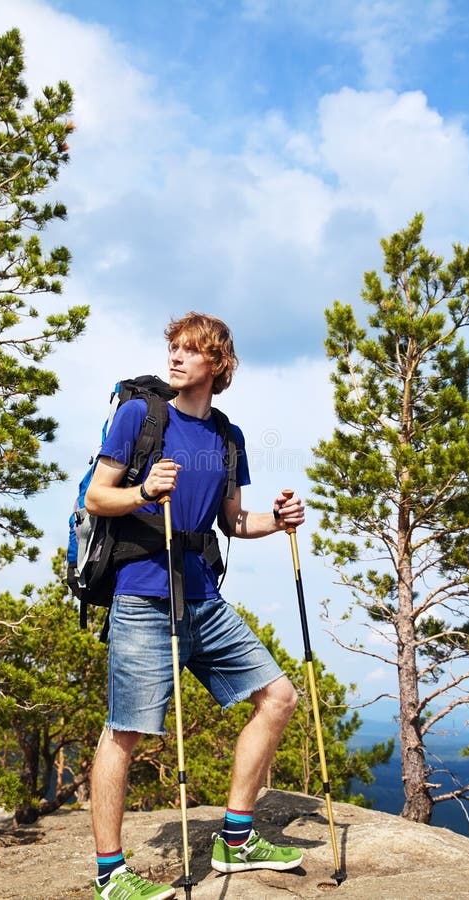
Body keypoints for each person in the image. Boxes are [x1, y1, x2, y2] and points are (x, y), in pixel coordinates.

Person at [85, 311, 305, 899]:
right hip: (142, 594)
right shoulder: (140, 416)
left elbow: (234, 521)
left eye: (190, 351)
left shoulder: (227, 438)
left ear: (218, 365)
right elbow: (96, 497)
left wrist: (275, 521)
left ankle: (235, 838)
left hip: (202, 594)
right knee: (127, 730)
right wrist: (143, 490)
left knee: (279, 696)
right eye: (173, 348)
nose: (176, 357)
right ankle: (111, 874)